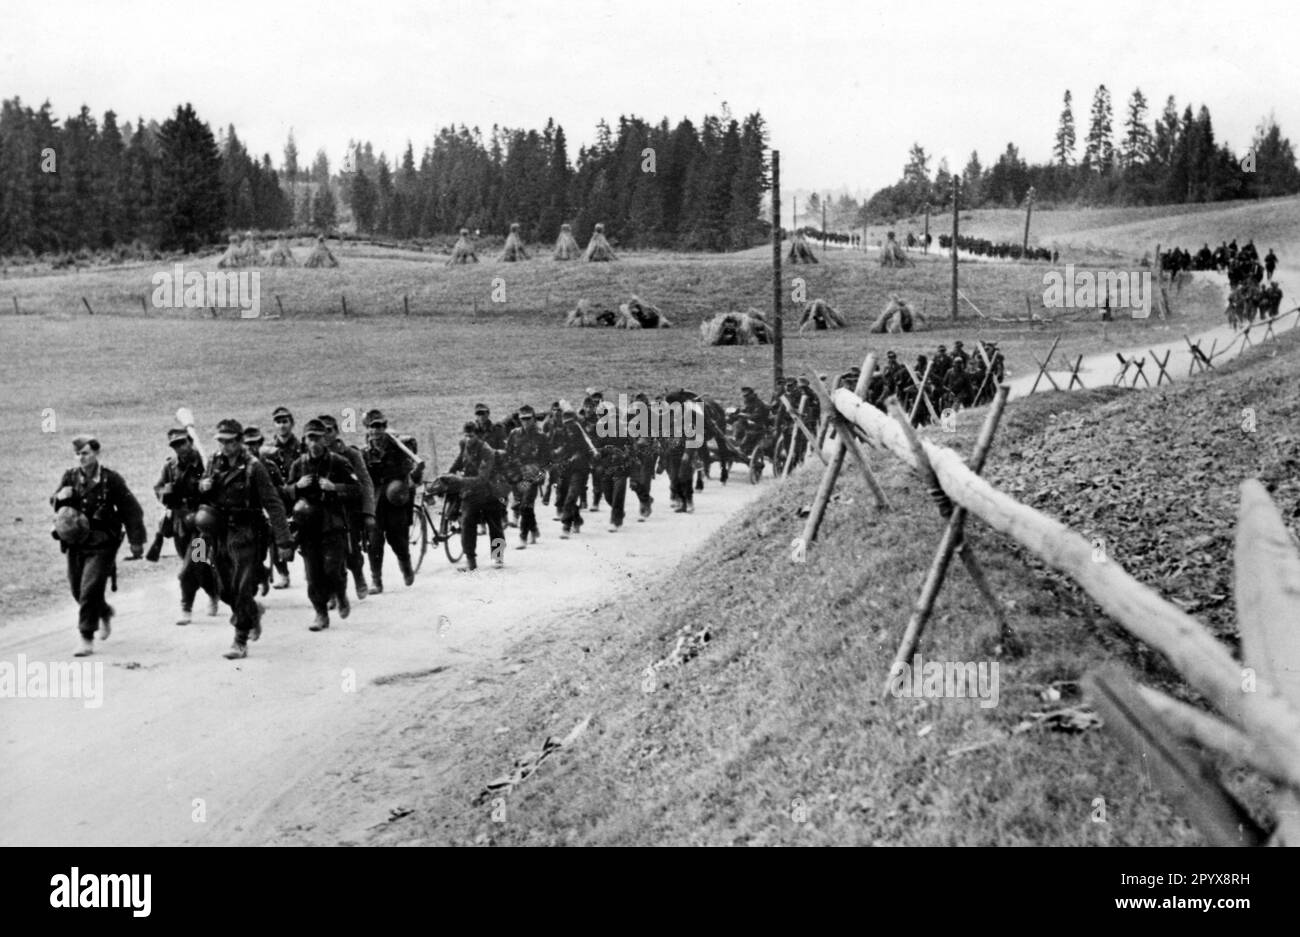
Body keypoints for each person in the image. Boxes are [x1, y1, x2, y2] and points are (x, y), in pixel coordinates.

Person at [197, 419, 293, 659]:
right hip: (220, 532)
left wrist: (283, 541)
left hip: (247, 532)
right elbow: (205, 496)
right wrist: (203, 485)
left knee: (241, 587)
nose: (225, 446)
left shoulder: (254, 467)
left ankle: (239, 640)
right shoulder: (213, 462)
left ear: (240, 441)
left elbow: (273, 503)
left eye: (230, 441)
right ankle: (252, 612)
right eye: (221, 441)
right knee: (224, 589)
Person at [51, 436, 147, 657]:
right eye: (78, 454)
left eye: (85, 453)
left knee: (90, 588)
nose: (81, 458)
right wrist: (59, 496)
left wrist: (136, 541)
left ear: (96, 453)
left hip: (102, 541)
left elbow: (131, 509)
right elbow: (54, 503)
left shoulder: (110, 479)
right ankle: (104, 611)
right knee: (78, 589)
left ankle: (86, 636)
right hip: (75, 541)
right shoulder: (70, 476)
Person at [287, 419, 362, 631]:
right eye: (311, 438)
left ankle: (340, 593)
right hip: (308, 526)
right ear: (304, 440)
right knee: (313, 575)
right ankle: (320, 613)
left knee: (332, 569)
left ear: (325, 439)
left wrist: (335, 487)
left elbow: (356, 489)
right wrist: (296, 487)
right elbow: (285, 493)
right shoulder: (298, 465)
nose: (315, 442)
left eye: (318, 437)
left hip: (332, 524)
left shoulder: (338, 462)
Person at [153, 427, 218, 625]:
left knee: (190, 567)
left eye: (182, 443)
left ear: (190, 441)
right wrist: (167, 492)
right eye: (175, 445)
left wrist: (209, 486)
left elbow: (219, 490)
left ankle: (185, 607)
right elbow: (158, 489)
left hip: (202, 525)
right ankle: (214, 591)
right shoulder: (170, 467)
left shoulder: (206, 463)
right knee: (198, 567)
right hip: (181, 525)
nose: (179, 448)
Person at [318, 413, 375, 601]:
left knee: (351, 550)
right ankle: (333, 592)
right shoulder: (312, 455)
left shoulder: (350, 454)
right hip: (323, 511)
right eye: (321, 431)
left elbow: (364, 484)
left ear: (336, 432)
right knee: (325, 554)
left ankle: (358, 576)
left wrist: (368, 513)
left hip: (347, 508)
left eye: (329, 430)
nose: (325, 435)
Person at [362, 409, 417, 591]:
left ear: (385, 427)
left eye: (379, 426)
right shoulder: (366, 452)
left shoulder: (397, 447)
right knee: (374, 542)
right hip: (376, 501)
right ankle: (376, 581)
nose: (376, 431)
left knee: (398, 540)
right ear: (368, 429)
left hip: (394, 501)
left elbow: (408, 467)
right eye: (373, 427)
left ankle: (406, 567)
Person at [456, 421, 507, 568]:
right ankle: (470, 560)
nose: (468, 439)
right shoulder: (464, 445)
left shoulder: (486, 450)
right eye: (466, 436)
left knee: (495, 525)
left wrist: (460, 480)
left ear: (477, 436)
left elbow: (483, 477)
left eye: (471, 436)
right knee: (467, 523)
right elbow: (459, 461)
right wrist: (448, 473)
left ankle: (497, 556)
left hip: (489, 491)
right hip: (471, 492)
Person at [263, 408, 302, 589]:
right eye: (278, 422)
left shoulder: (301, 447)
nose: (282, 425)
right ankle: (283, 573)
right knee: (274, 532)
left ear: (292, 423)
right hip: (279, 497)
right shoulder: (268, 450)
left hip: (298, 494)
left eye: (285, 421)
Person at [504, 404, 549, 548]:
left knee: (526, 505)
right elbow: (508, 454)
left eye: (528, 418)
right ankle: (534, 529)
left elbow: (546, 459)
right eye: (522, 419)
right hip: (517, 475)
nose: (525, 421)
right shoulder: (514, 434)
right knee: (521, 505)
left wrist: (540, 473)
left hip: (532, 476)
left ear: (534, 419)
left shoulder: (541, 436)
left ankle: (523, 536)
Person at [551, 409, 592, 537]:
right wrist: (557, 452)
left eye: (571, 422)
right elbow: (553, 448)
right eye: (566, 423)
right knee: (564, 496)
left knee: (572, 495)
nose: (569, 426)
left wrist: (580, 455)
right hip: (564, 469)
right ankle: (577, 520)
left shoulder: (584, 434)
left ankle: (566, 525)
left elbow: (589, 450)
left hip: (580, 470)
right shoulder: (560, 433)